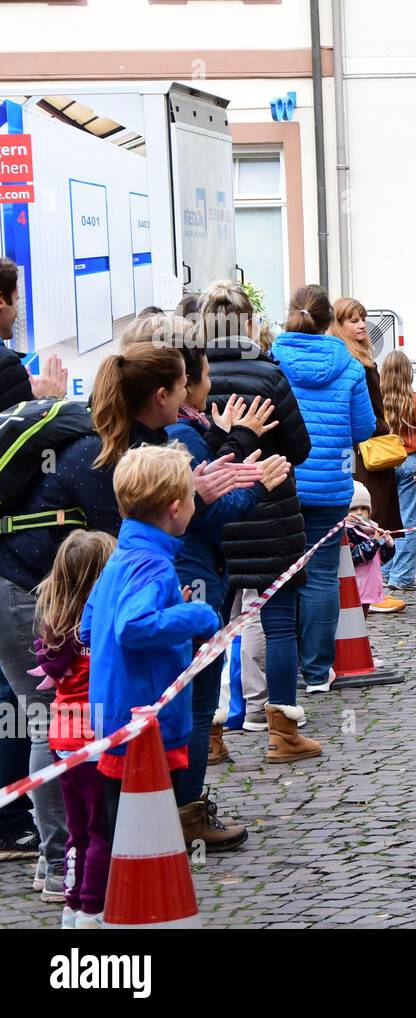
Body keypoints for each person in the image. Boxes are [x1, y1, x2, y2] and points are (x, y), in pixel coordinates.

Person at [0, 335, 250, 899]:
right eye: (184, 386)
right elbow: (131, 578)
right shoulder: (101, 453)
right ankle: (62, 859)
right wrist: (191, 615)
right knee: (51, 719)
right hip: (19, 586)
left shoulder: (134, 446)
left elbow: (105, 605)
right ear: (160, 394)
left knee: (67, 718)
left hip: (50, 591)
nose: (190, 394)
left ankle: (82, 855)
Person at [162, 331, 291, 847]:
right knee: (194, 700)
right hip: (193, 574)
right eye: (203, 377)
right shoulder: (184, 438)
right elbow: (208, 518)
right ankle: (188, 809)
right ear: (179, 386)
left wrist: (228, 442)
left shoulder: (189, 432)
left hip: (180, 570)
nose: (212, 383)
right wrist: (258, 483)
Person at [80, 444, 222, 838]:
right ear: (175, 508)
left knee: (117, 829)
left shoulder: (123, 553)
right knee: (147, 838)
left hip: (113, 715)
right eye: (193, 497)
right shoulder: (154, 563)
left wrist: (171, 607)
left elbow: (91, 625)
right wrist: (197, 616)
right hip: (147, 723)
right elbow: (133, 626)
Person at [200, 280, 313, 741]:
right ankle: (281, 731)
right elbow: (298, 447)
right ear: (248, 323)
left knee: (213, 622)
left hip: (215, 510)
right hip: (270, 508)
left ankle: (210, 729)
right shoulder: (269, 375)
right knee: (279, 621)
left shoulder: (193, 378)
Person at [272, 285, 376, 695]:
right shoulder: (348, 366)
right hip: (330, 485)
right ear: (327, 320)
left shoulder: (273, 361)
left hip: (281, 482)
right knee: (321, 577)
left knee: (282, 575)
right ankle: (317, 672)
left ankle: (282, 668)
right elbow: (365, 428)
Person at [32, 530, 115, 928]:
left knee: (77, 832)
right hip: (95, 740)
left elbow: (52, 669)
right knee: (101, 832)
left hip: (63, 738)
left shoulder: (56, 623)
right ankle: (92, 909)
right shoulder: (106, 621)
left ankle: (71, 904)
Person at [333, 298, 403, 572]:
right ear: (338, 325)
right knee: (365, 514)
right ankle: (367, 582)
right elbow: (361, 411)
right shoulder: (350, 361)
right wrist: (381, 427)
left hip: (369, 445)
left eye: (363, 318)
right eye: (353, 320)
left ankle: (373, 581)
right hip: (362, 448)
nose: (362, 325)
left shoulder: (364, 357)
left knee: (375, 513)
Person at [378, 350, 416, 598]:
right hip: (409, 462)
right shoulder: (414, 403)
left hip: (381, 464)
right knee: (409, 522)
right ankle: (401, 577)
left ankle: (384, 572)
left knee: (385, 521)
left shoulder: (376, 402)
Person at [0, 257, 67, 410]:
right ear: (1, 302)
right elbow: (22, 432)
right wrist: (50, 401)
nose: (17, 310)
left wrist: (31, 402)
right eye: (16, 300)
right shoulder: (7, 367)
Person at [348, 482, 396, 617]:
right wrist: (374, 541)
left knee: (362, 621)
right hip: (355, 587)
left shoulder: (370, 529)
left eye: (363, 508)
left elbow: (380, 559)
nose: (359, 512)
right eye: (353, 509)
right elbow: (355, 556)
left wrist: (388, 545)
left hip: (368, 587)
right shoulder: (347, 530)